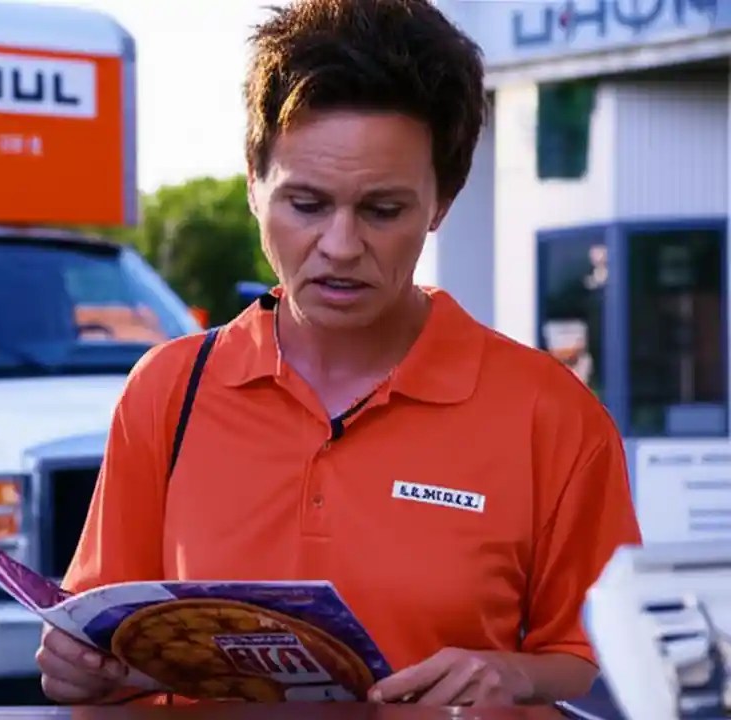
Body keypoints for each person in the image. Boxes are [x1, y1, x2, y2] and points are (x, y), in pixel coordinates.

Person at [35, 0, 642, 708]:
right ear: (254, 183)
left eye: (383, 211)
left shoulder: (549, 414)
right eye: (307, 204)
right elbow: (99, 643)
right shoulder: (170, 391)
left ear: (441, 202)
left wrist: (514, 675)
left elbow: (594, 661)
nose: (341, 246)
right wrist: (76, 670)